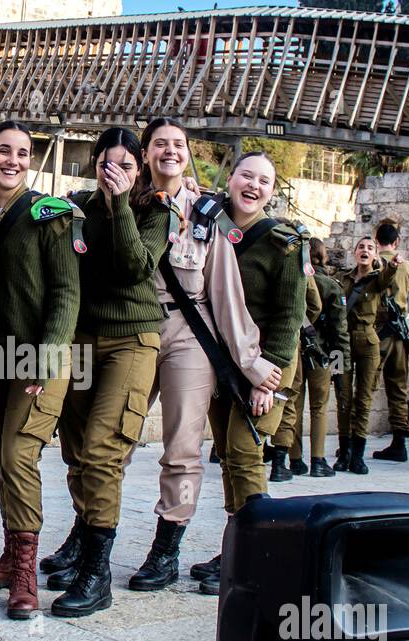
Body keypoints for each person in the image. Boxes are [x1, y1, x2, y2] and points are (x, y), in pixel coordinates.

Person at [127, 119, 276, 600]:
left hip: (188, 336)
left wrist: (253, 366)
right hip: (133, 329)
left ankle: (166, 548)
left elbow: (226, 297)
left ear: (188, 154)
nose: (170, 152)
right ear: (145, 152)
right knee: (110, 440)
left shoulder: (207, 214)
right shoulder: (123, 200)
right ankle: (89, 533)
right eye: (159, 145)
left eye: (179, 145)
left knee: (183, 449)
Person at [0, 120, 81, 619]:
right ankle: (12, 555)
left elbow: (66, 291)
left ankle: (27, 572)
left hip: (37, 358)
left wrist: (49, 353)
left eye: (23, 153)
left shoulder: (48, 213)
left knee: (18, 456)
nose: (12, 160)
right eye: (3, 151)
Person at [42, 127, 169, 596]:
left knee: (102, 451)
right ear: (94, 164)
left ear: (140, 170)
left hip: (132, 339)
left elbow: (135, 267)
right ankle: (82, 545)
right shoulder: (78, 207)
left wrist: (120, 207)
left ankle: (98, 571)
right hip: (81, 339)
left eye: (126, 166)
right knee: (75, 452)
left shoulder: (155, 211)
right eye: (105, 164)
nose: (114, 173)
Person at [202, 156, 306, 594]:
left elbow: (289, 317)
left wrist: (271, 379)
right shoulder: (209, 224)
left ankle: (258, 554)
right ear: (231, 179)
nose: (254, 186)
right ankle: (237, 544)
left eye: (265, 181)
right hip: (221, 364)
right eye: (247, 175)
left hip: (264, 367)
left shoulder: (284, 243)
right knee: (227, 455)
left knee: (245, 454)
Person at [270, 237, 348, 480]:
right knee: (319, 408)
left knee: (292, 404)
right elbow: (339, 332)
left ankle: (294, 459)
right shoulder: (331, 285)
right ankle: (318, 460)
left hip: (295, 350)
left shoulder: (289, 274)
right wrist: (339, 367)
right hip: (321, 354)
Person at [333, 237, 402, 474]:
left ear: (375, 255)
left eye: (370, 248)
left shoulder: (377, 279)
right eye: (361, 247)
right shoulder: (342, 278)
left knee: (364, 398)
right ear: (354, 252)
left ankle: (358, 455)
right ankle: (344, 452)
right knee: (343, 397)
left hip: (367, 344)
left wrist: (392, 266)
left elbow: (387, 278)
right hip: (339, 344)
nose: (365, 251)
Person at [371, 221, 409, 462]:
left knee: (366, 387)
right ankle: (399, 441)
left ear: (376, 240)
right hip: (399, 333)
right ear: (396, 241)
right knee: (398, 389)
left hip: (378, 330)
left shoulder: (375, 262)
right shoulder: (406, 266)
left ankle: (353, 444)